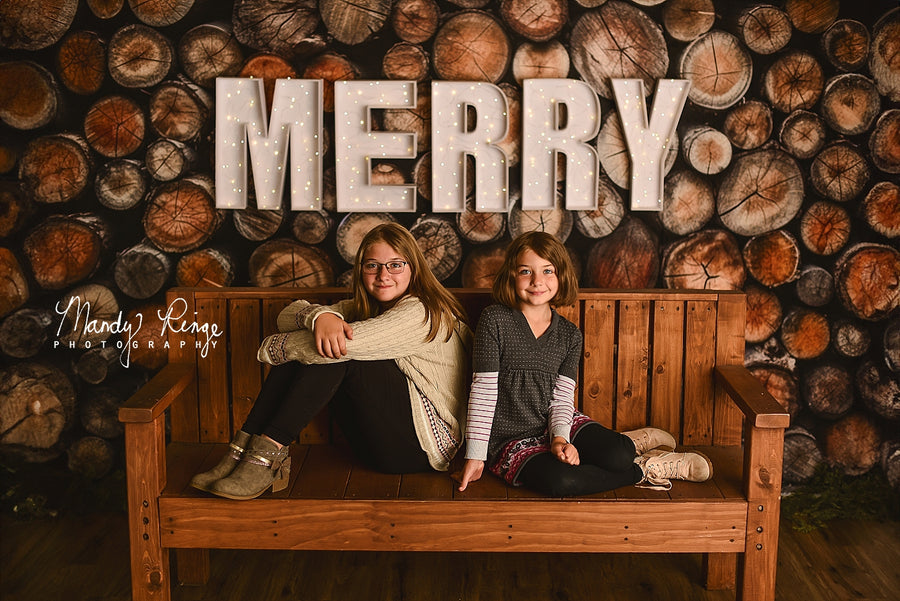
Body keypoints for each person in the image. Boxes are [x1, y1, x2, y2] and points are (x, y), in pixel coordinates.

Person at [192, 223, 472, 500]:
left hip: (422, 450)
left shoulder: (421, 312)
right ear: (361, 270)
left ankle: (265, 461)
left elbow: (337, 347)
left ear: (414, 268)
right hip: (372, 443)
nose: (383, 275)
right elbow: (287, 315)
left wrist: (276, 346)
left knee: (334, 351)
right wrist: (319, 318)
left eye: (396, 265)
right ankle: (240, 453)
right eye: (372, 265)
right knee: (325, 339)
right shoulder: (364, 308)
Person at [456, 231, 712, 496]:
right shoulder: (495, 321)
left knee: (617, 455)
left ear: (561, 276)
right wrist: (475, 455)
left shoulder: (569, 335)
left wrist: (559, 439)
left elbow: (561, 399)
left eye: (547, 271)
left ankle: (630, 445)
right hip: (510, 440)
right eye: (525, 271)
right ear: (511, 274)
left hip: (558, 424)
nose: (537, 281)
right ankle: (645, 468)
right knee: (562, 483)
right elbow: (483, 393)